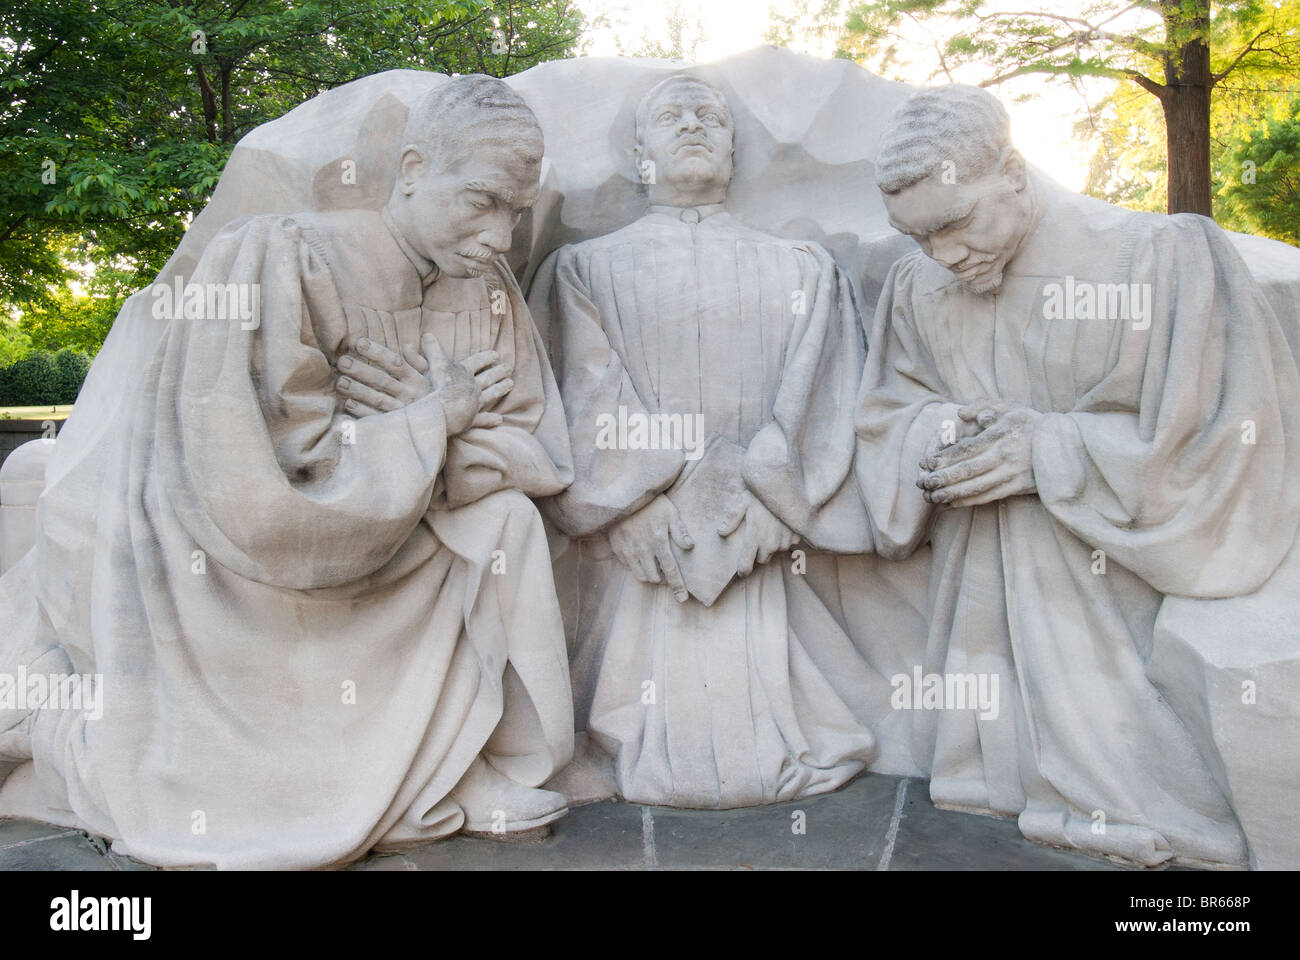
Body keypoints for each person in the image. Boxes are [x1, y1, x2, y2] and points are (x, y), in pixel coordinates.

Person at [0, 75, 576, 869]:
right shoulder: (281, 254)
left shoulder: (493, 291)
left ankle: (456, 765)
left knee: (507, 525)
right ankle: (45, 719)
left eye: (516, 211)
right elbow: (258, 476)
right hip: (259, 552)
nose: (501, 235)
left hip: (416, 523)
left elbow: (536, 451)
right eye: (481, 201)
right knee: (193, 793)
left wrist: (432, 431)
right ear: (412, 169)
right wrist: (429, 422)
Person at [855, 84, 1300, 865]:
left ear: (1015, 172)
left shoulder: (1159, 257)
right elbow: (888, 414)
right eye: (917, 237)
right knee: (979, 806)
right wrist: (951, 432)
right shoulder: (918, 288)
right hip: (978, 593)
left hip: (1109, 588)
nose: (944, 255)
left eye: (956, 223)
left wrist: (1052, 452)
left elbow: (1227, 436)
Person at [529, 75, 892, 808]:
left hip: (761, 530)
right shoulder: (585, 268)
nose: (694, 125)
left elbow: (824, 392)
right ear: (639, 154)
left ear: (734, 148)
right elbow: (573, 392)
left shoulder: (801, 268)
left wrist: (779, 498)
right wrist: (625, 506)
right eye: (670, 116)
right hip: (640, 547)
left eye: (712, 118)